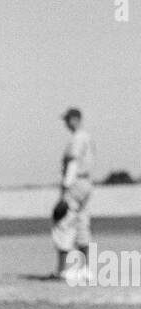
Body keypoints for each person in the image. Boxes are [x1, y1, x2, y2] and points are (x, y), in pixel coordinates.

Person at [51, 108, 94, 278]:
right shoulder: (88, 138)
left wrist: (65, 190)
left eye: (68, 119)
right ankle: (85, 269)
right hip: (87, 183)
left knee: (63, 222)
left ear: (75, 119)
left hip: (75, 183)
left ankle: (63, 270)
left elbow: (73, 163)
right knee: (83, 223)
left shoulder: (76, 139)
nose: (66, 123)